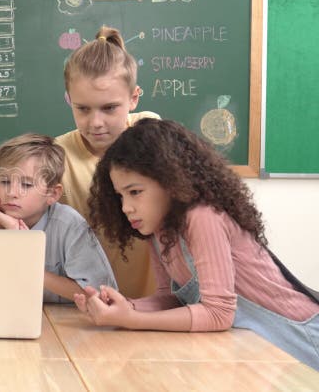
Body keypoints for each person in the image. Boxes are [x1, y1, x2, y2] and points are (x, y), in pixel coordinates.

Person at [75, 118, 319, 370]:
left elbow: (218, 314)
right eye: (120, 195)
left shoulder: (202, 217)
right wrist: (123, 307)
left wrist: (132, 319)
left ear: (171, 182)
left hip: (300, 343)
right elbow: (171, 299)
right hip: (257, 349)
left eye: (135, 192)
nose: (126, 207)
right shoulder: (158, 229)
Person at [56, 26, 160, 298]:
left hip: (158, 305)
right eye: (82, 109)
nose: (96, 123)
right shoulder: (57, 156)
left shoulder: (151, 134)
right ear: (69, 101)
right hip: (90, 307)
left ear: (134, 98)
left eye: (109, 108)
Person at [0, 133, 116, 303]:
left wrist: (29, 263)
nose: (11, 193)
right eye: (5, 182)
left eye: (26, 184)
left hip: (71, 320)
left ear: (52, 194)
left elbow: (96, 294)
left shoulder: (69, 225)